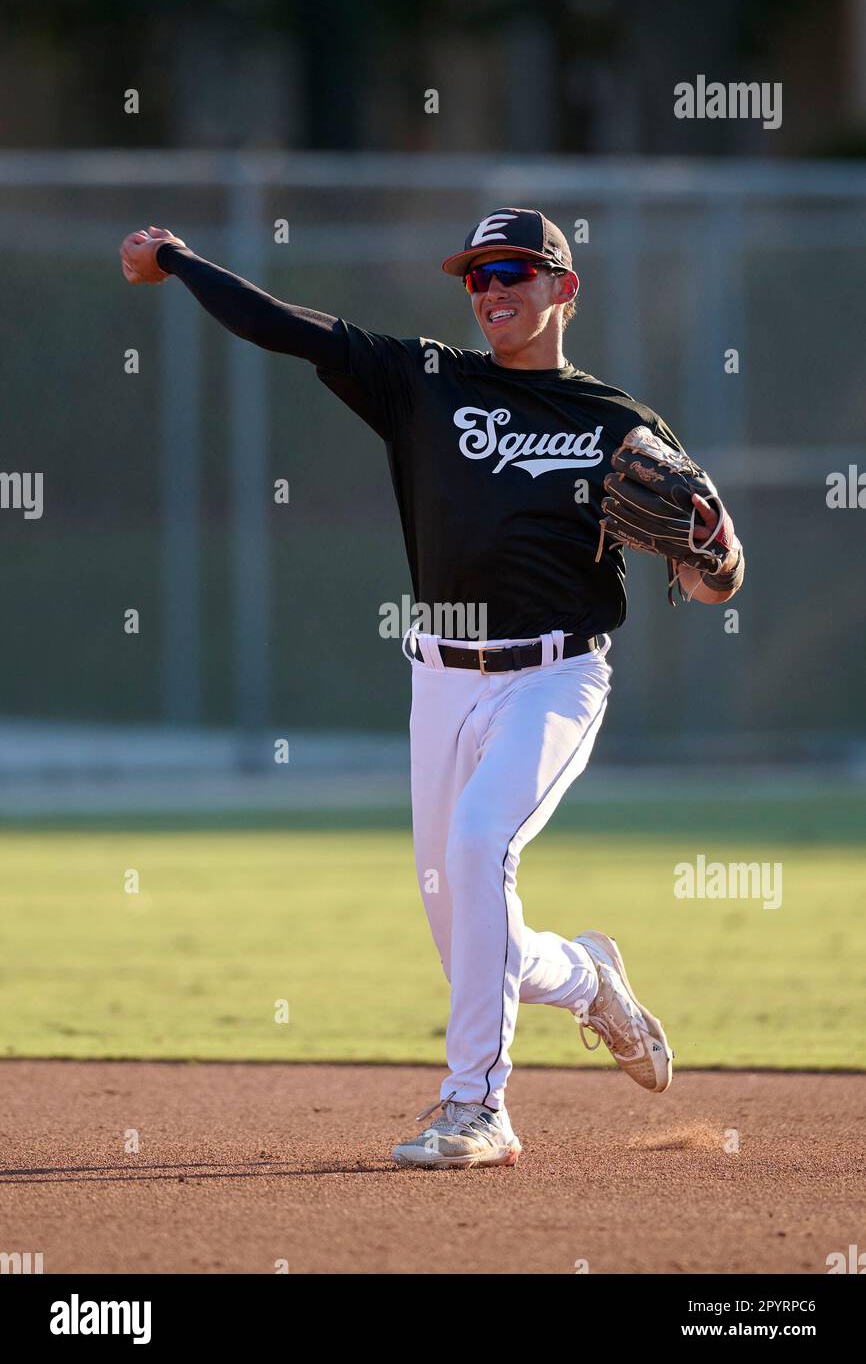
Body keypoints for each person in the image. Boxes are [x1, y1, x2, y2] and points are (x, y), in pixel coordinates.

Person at [120, 208, 744, 1171]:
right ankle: (588, 978)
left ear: (564, 290)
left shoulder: (619, 425)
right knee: (467, 932)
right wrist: (179, 260)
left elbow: (704, 581)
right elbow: (284, 325)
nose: (493, 290)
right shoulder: (425, 381)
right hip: (439, 682)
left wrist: (717, 556)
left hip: (555, 676)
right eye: (478, 276)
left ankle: (476, 1109)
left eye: (516, 273)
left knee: (479, 841)